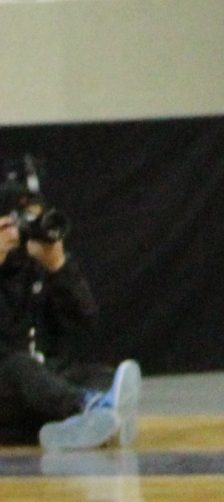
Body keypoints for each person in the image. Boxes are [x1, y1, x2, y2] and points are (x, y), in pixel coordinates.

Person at [0, 188, 141, 451]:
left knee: (101, 376)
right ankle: (90, 409)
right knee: (19, 366)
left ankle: (79, 424)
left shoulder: (36, 265)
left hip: (40, 389)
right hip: (8, 386)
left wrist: (59, 268)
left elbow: (85, 320)